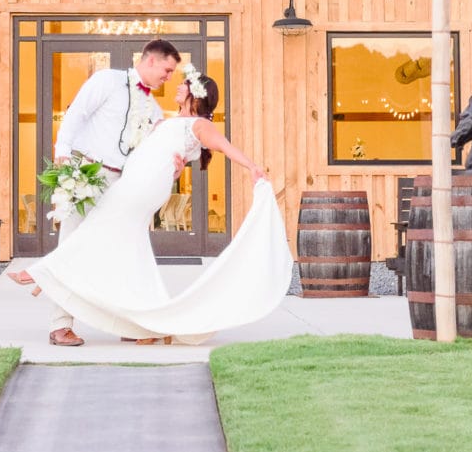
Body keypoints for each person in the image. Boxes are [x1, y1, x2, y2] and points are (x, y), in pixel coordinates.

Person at [26, 67, 293, 346]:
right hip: (111, 178)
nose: (177, 86)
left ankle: (50, 276)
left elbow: (223, 146)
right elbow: (148, 153)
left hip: (134, 189)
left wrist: (251, 166)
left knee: (96, 241)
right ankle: (100, 319)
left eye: (184, 84)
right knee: (111, 249)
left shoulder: (195, 124)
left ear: (196, 93)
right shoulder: (161, 120)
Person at [7, 37, 181, 347]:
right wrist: (63, 152)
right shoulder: (107, 81)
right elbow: (77, 114)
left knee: (121, 251)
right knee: (73, 246)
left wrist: (173, 168)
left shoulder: (155, 110)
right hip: (88, 171)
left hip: (123, 185)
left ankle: (128, 322)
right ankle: (60, 325)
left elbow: (150, 154)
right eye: (167, 70)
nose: (168, 77)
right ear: (151, 60)